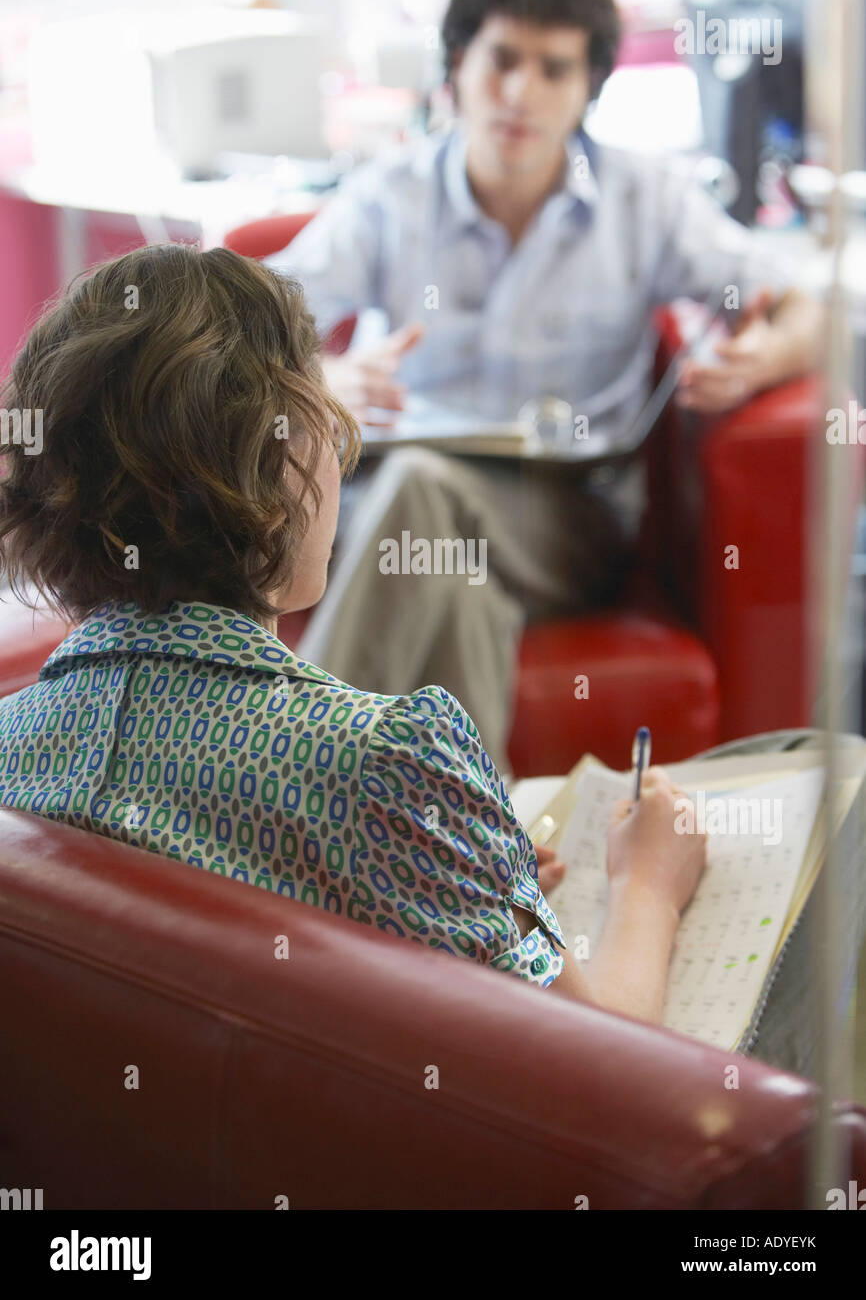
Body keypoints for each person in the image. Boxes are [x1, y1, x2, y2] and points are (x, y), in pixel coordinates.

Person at [0, 243, 706, 1023]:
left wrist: (456, 877)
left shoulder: (8, 745)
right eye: (327, 430)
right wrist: (650, 885)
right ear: (277, 470)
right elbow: (605, 1072)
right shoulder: (391, 763)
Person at [268, 0, 824, 773]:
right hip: (392, 505)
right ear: (458, 65)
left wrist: (764, 355)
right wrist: (314, 383)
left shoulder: (645, 199)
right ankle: (482, 872)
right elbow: (240, 328)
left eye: (553, 69)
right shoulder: (389, 195)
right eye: (502, 60)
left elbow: (811, 304)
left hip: (565, 517)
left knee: (423, 487)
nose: (522, 92)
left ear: (589, 87)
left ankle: (285, 786)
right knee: (456, 585)